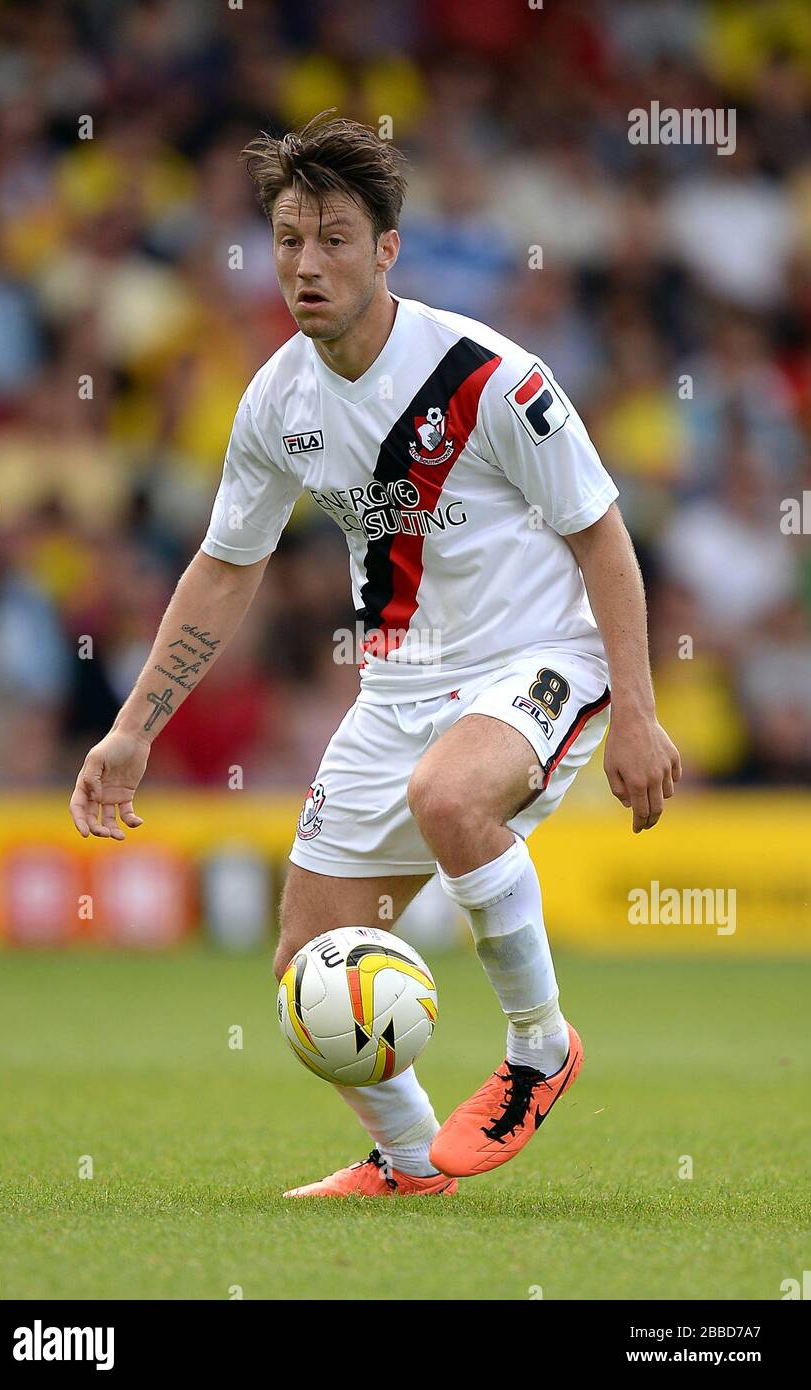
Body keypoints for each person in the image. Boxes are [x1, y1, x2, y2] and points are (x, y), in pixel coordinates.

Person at [69, 114, 681, 1199]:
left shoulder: (490, 377)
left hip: (537, 656)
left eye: (335, 238)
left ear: (388, 249)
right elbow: (224, 564)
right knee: (305, 966)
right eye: (289, 237)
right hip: (399, 683)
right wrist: (132, 727)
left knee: (450, 798)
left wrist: (633, 708)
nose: (306, 263)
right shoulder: (276, 400)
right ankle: (408, 1165)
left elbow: (601, 536)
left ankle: (539, 1045)